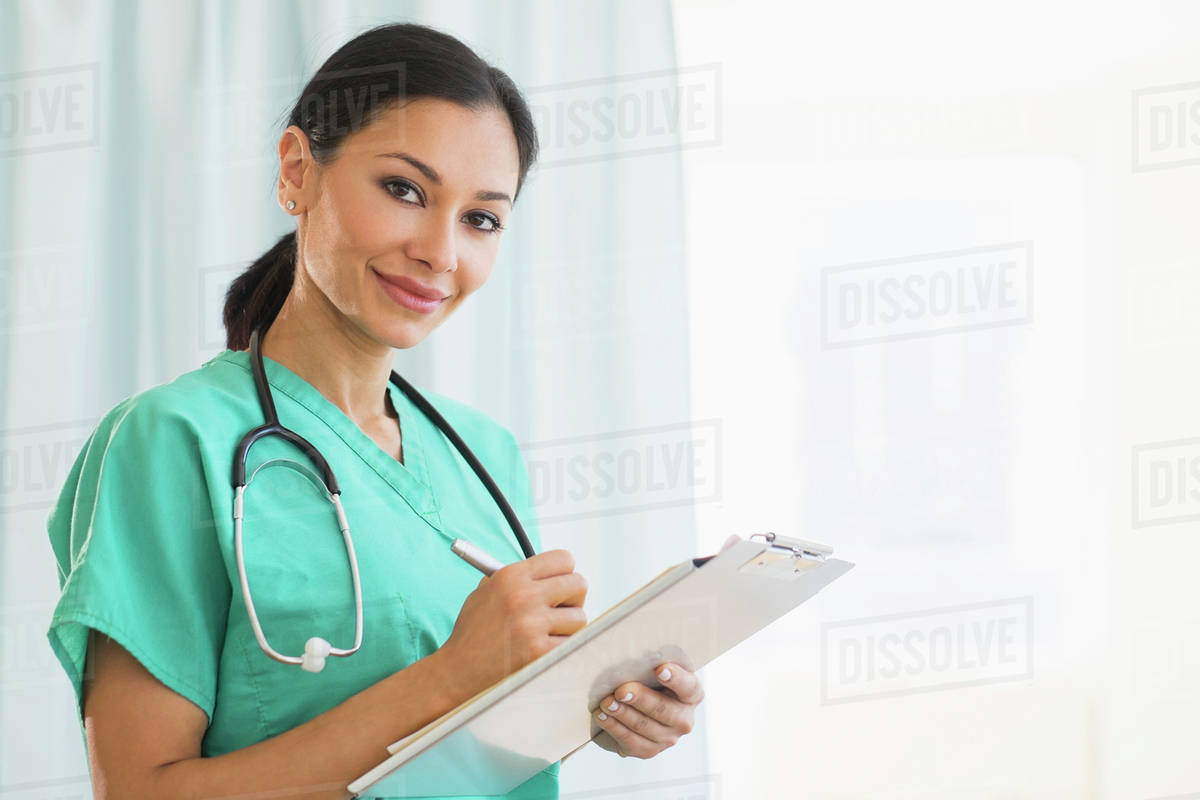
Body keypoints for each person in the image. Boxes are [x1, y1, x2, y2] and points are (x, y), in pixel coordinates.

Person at [44, 22, 704, 800]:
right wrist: (449, 675)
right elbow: (139, 791)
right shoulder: (169, 442)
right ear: (298, 171)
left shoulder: (483, 456)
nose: (441, 252)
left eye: (481, 218)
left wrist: (594, 709)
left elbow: (471, 750)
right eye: (404, 190)